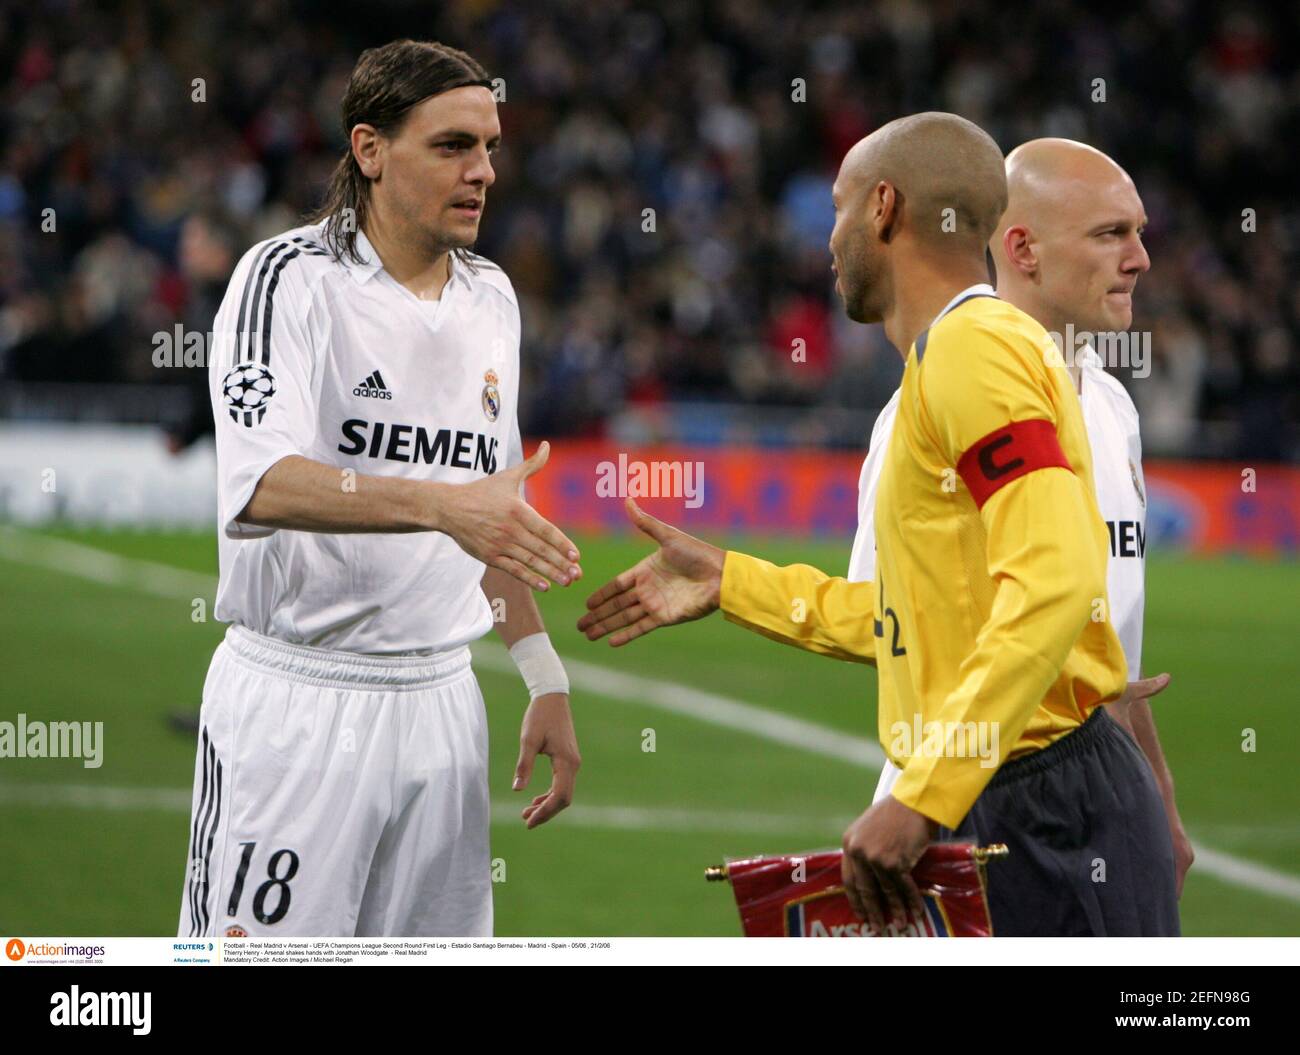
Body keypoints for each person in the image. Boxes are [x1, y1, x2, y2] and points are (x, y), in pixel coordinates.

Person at [579, 112, 1179, 936]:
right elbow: (920, 614)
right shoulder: (962, 356)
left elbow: (1055, 580)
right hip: (1024, 784)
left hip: (1037, 794)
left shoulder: (974, 350)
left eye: (838, 208)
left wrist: (923, 795)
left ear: (885, 208)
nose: (829, 240)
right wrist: (734, 582)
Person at [178, 39, 583, 939]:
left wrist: (543, 675)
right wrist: (442, 505)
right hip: (299, 701)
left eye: (490, 147)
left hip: (443, 705)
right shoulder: (285, 281)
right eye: (452, 146)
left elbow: (493, 514)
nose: (483, 171)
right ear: (370, 149)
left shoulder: (493, 298)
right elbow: (259, 483)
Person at [865, 138, 1193, 898]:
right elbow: (882, 622)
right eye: (1112, 234)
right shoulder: (928, 406)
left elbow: (1109, 650)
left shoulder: (1111, 407)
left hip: (1098, 802)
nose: (1140, 258)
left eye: (1140, 232)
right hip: (973, 810)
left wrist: (1160, 801)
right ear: (1022, 250)